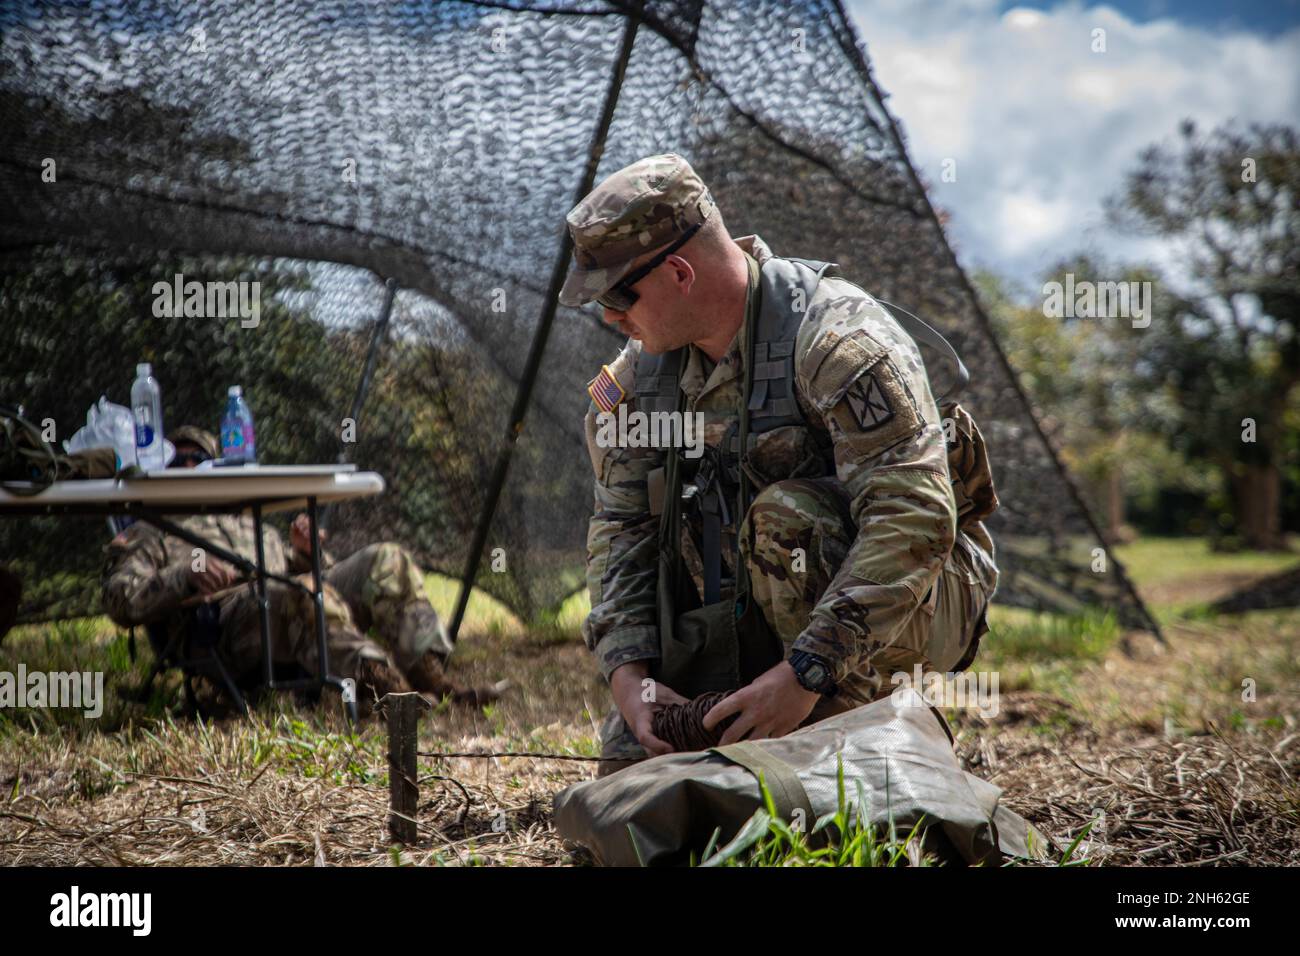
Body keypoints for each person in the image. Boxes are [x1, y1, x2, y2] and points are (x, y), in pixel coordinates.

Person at [562, 153, 1000, 775]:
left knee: (785, 518)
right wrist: (630, 680)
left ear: (680, 273)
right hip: (744, 605)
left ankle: (848, 734)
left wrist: (805, 675)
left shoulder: (837, 343)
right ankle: (764, 708)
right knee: (631, 789)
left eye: (617, 295)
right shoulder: (640, 383)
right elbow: (620, 528)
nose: (610, 317)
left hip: (917, 599)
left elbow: (916, 518)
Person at [101, 426, 501, 712]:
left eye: (200, 459)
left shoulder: (245, 520)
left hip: (286, 603)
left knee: (386, 558)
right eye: (179, 458)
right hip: (224, 627)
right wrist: (184, 575)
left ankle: (436, 682)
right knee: (304, 589)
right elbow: (120, 601)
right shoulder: (151, 529)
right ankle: (386, 691)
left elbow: (293, 575)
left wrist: (306, 556)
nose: (190, 465)